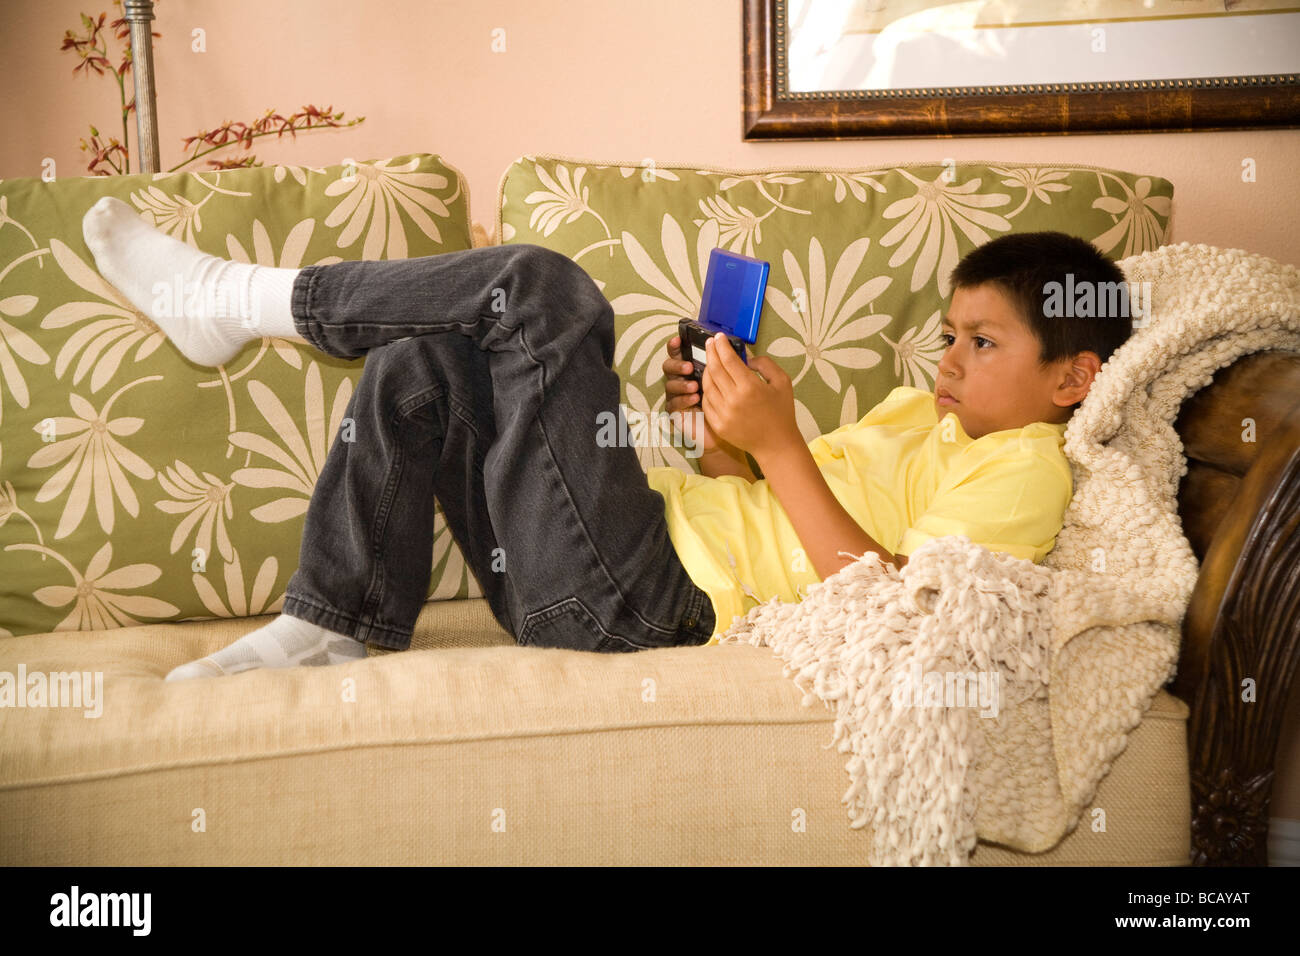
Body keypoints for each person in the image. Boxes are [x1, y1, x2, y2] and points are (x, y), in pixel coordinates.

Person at [79, 197, 1130, 679]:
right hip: (613, 551)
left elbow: (905, 605)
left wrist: (780, 446)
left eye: (982, 340)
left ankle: (235, 300)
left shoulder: (1025, 468)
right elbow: (764, 505)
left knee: (543, 290)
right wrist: (724, 429)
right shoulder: (922, 413)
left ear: (1072, 377)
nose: (947, 357)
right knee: (422, 369)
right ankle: (337, 615)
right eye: (948, 332)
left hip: (651, 604)